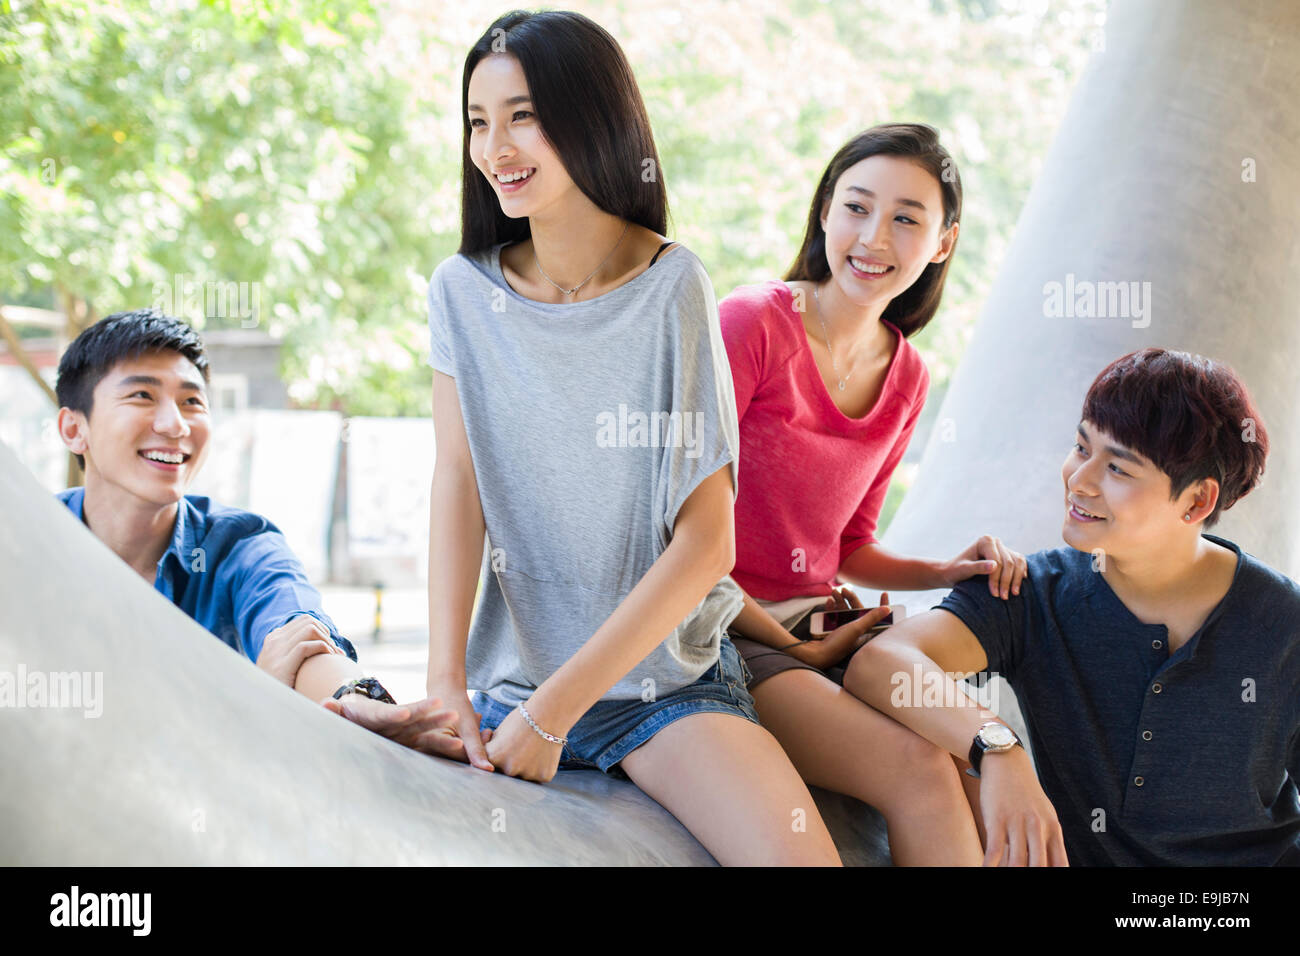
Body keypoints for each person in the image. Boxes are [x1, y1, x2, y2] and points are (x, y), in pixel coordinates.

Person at [423, 9, 841, 865]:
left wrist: (557, 711)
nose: (495, 145)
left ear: (593, 116)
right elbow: (457, 486)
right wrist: (442, 684)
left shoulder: (673, 286)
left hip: (664, 687)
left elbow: (707, 542)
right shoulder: (462, 293)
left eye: (524, 116)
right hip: (509, 686)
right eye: (478, 121)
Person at [847, 348, 1300, 866]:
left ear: (1196, 502)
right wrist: (998, 749)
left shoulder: (1284, 624)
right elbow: (884, 663)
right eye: (1081, 446)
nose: (1079, 479)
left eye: (1117, 468)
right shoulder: (1032, 592)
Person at [719, 123, 1026, 865]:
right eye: (856, 207)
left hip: (828, 632)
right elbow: (670, 526)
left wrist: (944, 574)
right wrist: (792, 642)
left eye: (906, 219)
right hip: (725, 632)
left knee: (968, 763)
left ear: (942, 244)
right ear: (825, 210)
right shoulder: (753, 323)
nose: (873, 237)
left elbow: (850, 544)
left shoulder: (908, 375)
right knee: (920, 773)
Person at [55, 308, 460, 754]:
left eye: (192, 401)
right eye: (142, 397)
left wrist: (355, 700)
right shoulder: (27, 542)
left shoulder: (240, 547)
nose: (175, 425)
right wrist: (241, 702)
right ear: (75, 429)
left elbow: (300, 633)